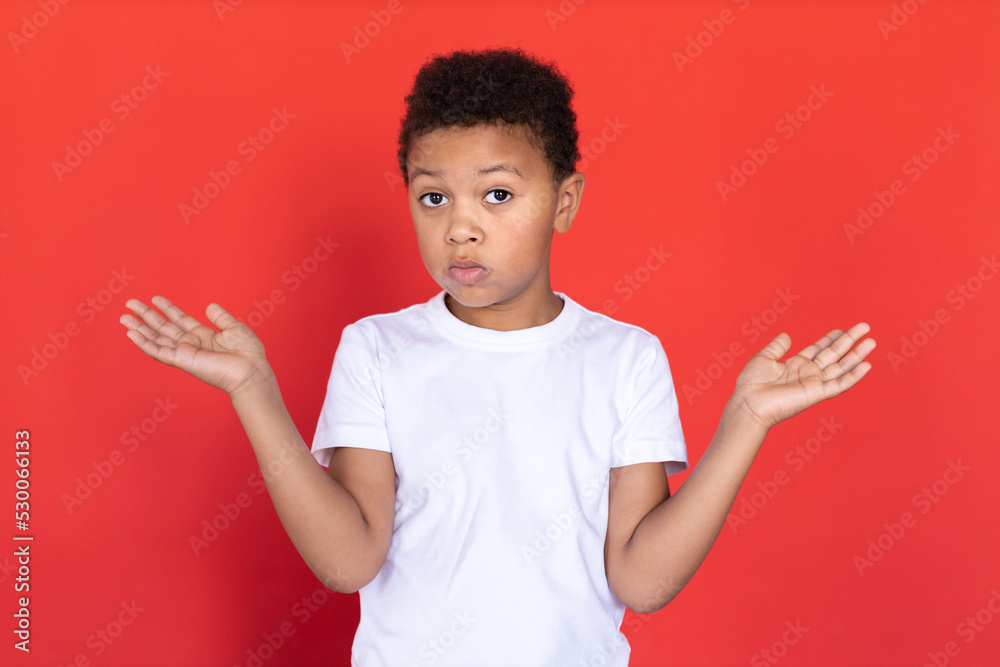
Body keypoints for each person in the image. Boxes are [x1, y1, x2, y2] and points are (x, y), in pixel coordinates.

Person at [119, 47, 875, 666]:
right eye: (433, 197)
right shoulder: (377, 349)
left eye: (499, 195)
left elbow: (641, 581)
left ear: (566, 201)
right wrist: (254, 391)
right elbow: (347, 561)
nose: (461, 229)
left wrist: (744, 421)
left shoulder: (624, 358)